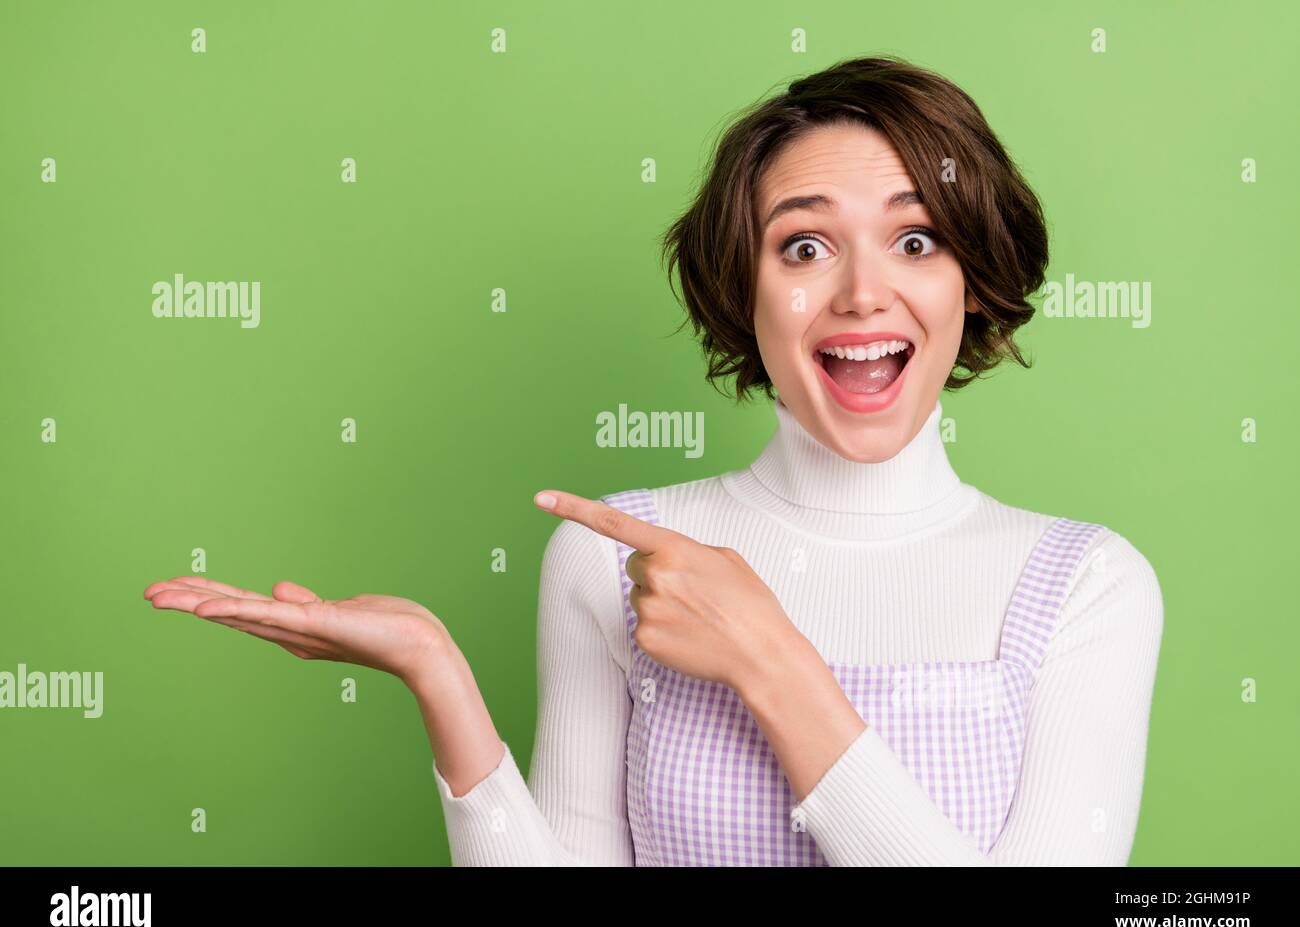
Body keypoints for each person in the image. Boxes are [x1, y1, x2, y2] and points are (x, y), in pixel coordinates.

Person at [143, 55, 1163, 866]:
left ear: (972, 281)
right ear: (742, 288)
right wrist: (437, 673)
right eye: (805, 247)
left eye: (917, 241)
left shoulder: (1084, 587)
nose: (861, 293)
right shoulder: (613, 556)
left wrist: (768, 657)